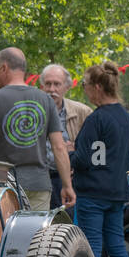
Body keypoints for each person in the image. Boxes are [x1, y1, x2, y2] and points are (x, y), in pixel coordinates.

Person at [70, 62, 129, 257]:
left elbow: (85, 159)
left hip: (93, 191)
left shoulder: (96, 119)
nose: (85, 90)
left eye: (86, 85)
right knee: (116, 246)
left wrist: (70, 155)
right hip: (117, 191)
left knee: (92, 246)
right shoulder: (124, 116)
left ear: (98, 87)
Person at [0, 47, 74, 210]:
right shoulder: (46, 100)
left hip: (5, 186)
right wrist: (67, 185)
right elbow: (59, 147)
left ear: (4, 68)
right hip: (40, 185)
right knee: (37, 234)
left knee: (7, 234)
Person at [40, 64, 92, 210]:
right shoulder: (33, 111)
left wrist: (77, 149)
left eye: (57, 84)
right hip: (40, 179)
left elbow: (96, 149)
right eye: (48, 84)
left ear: (67, 87)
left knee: (64, 227)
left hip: (69, 181)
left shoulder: (82, 112)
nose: (52, 89)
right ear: (42, 86)